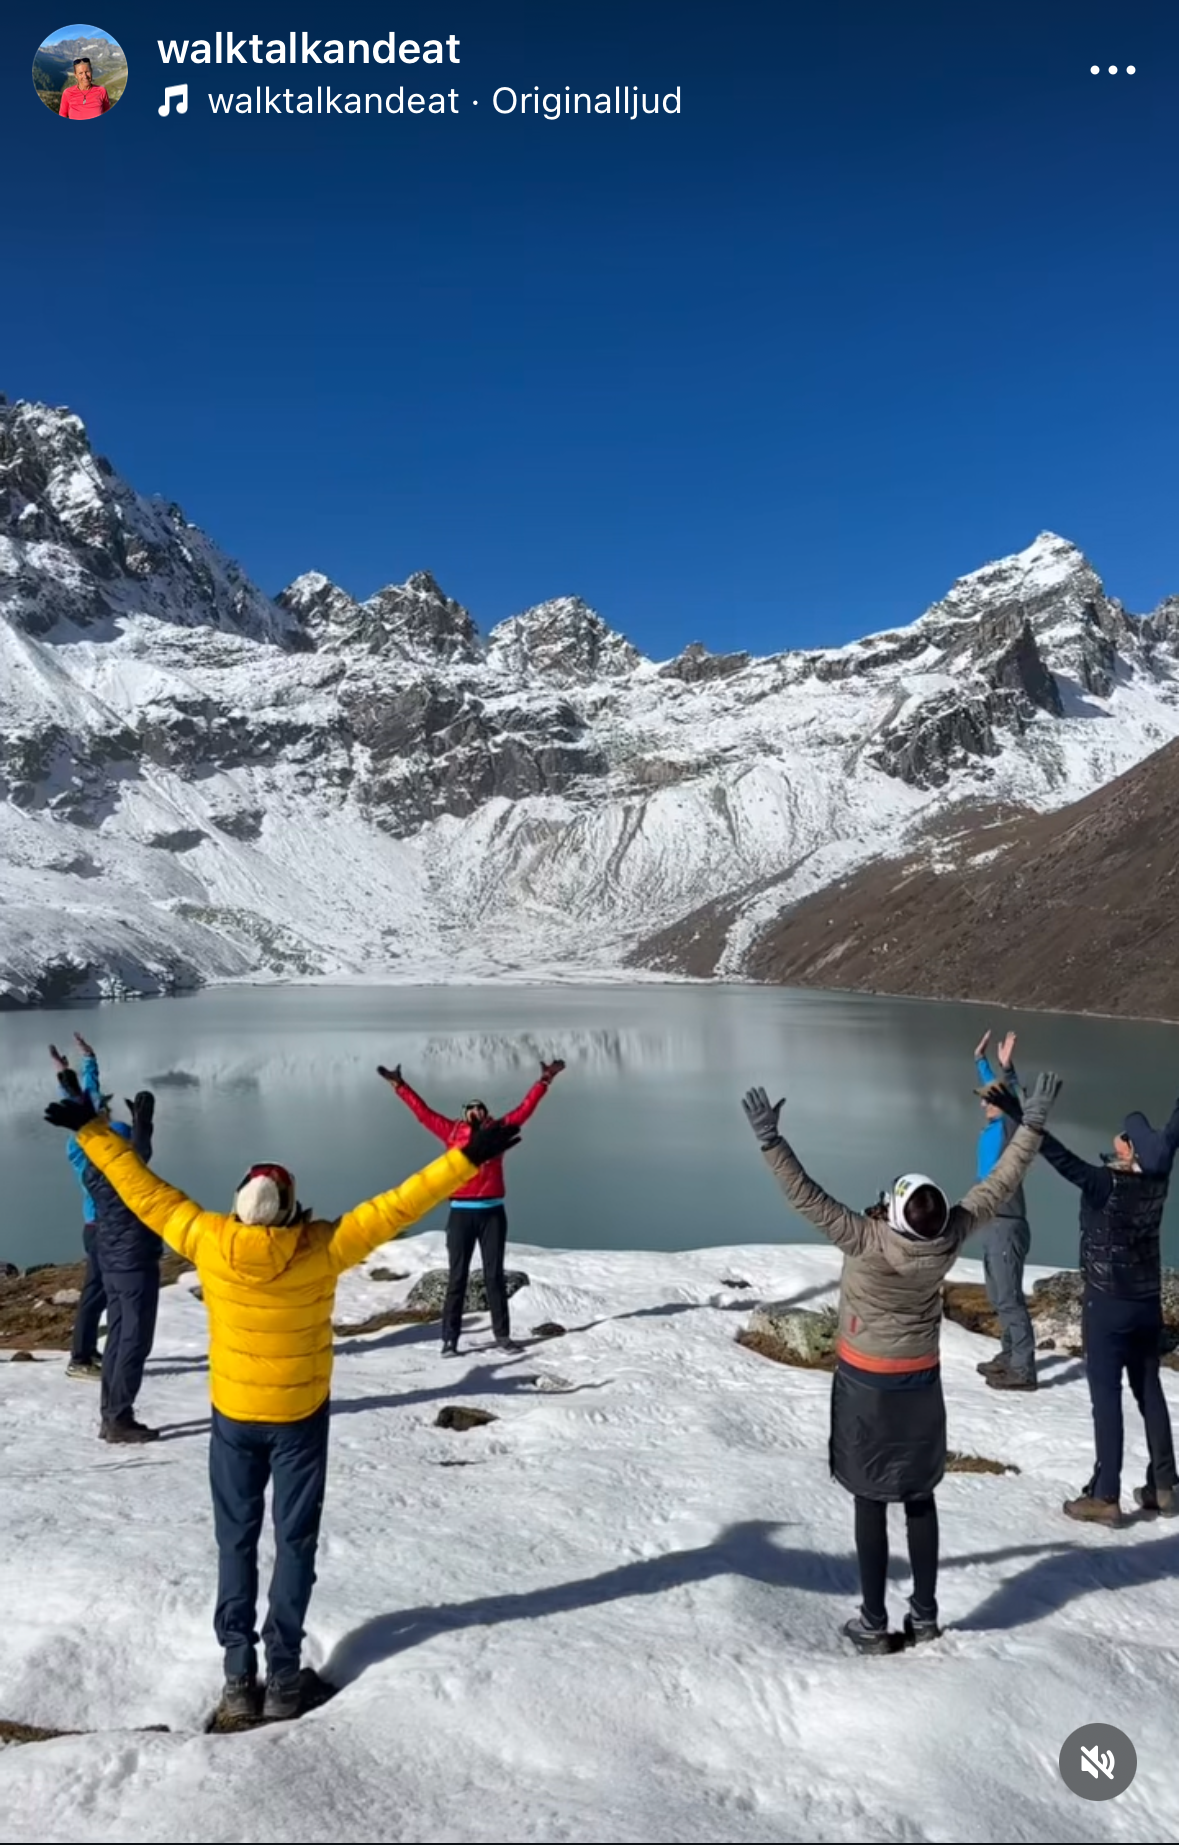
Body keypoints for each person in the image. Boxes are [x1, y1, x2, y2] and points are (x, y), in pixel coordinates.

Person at [44, 1081, 520, 1724]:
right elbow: (396, 1206)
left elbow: (141, 1190)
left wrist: (92, 1131)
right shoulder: (321, 1248)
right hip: (299, 1422)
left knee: (235, 1543)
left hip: (235, 1421)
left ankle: (240, 1679)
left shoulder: (209, 1240)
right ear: (294, 1205)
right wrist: (466, 1158)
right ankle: (286, 1679)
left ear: (239, 1207)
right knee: (294, 1544)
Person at [741, 1070, 1063, 1654]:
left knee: (870, 1497)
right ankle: (924, 1616)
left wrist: (771, 1139)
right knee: (919, 1495)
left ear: (891, 1208)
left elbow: (803, 1194)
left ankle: (872, 1621)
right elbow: (999, 1182)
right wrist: (1032, 1123)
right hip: (920, 1382)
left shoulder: (865, 1238)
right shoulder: (947, 1238)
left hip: (865, 1381)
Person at [986, 1080, 1179, 1526]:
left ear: (1130, 1154)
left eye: (1129, 1137)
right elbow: (1171, 1131)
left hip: (1107, 1304)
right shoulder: (1159, 1180)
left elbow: (1053, 1153)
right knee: (1149, 1389)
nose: (1123, 1136)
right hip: (1146, 1302)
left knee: (1106, 1396)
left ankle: (1105, 1494)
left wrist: (1018, 1109)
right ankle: (1165, 1486)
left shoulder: (1102, 1183)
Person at [380, 1058, 565, 1356]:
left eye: (481, 1107)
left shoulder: (498, 1131)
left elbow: (525, 1109)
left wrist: (544, 1081)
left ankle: (502, 1336)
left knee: (494, 1276)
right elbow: (423, 1114)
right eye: (471, 1108)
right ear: (465, 1114)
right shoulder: (452, 1133)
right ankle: (449, 1340)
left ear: (486, 1113)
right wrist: (400, 1086)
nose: (476, 1111)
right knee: (458, 1276)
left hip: (492, 1212)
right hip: (462, 1213)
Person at [81, 1089, 162, 1444]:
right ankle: (118, 1417)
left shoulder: (92, 1170)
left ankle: (111, 1413)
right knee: (133, 1340)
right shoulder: (121, 1174)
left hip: (113, 1264)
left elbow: (136, 1156)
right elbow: (138, 1156)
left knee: (117, 1338)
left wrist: (139, 1127)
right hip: (133, 1265)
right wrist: (143, 1125)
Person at [972, 1030, 1038, 1391]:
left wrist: (1007, 1068)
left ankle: (1023, 1369)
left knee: (1010, 1299)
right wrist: (980, 1061)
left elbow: (1011, 1100)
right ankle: (1009, 1356)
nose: (983, 1104)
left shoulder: (1010, 1129)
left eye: (988, 1101)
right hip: (992, 1223)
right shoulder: (996, 1126)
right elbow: (994, 1090)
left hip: (1007, 1224)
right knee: (999, 1296)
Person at [50, 1034, 108, 1381]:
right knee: (95, 1292)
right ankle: (80, 1359)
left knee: (100, 1292)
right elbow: (83, 1103)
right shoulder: (85, 1148)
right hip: (100, 1227)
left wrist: (87, 1062)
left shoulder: (86, 1139)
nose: (103, 1111)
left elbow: (89, 1097)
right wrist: (67, 1077)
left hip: (99, 1226)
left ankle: (89, 1352)